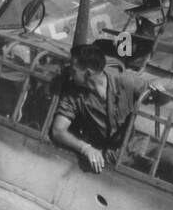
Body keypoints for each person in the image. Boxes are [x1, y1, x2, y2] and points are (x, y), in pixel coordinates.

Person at [51, 44, 153, 174]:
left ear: (88, 73)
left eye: (73, 71)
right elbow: (58, 130)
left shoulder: (126, 81)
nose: (70, 75)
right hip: (104, 155)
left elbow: (155, 93)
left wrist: (159, 91)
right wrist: (86, 148)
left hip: (134, 147)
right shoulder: (74, 94)